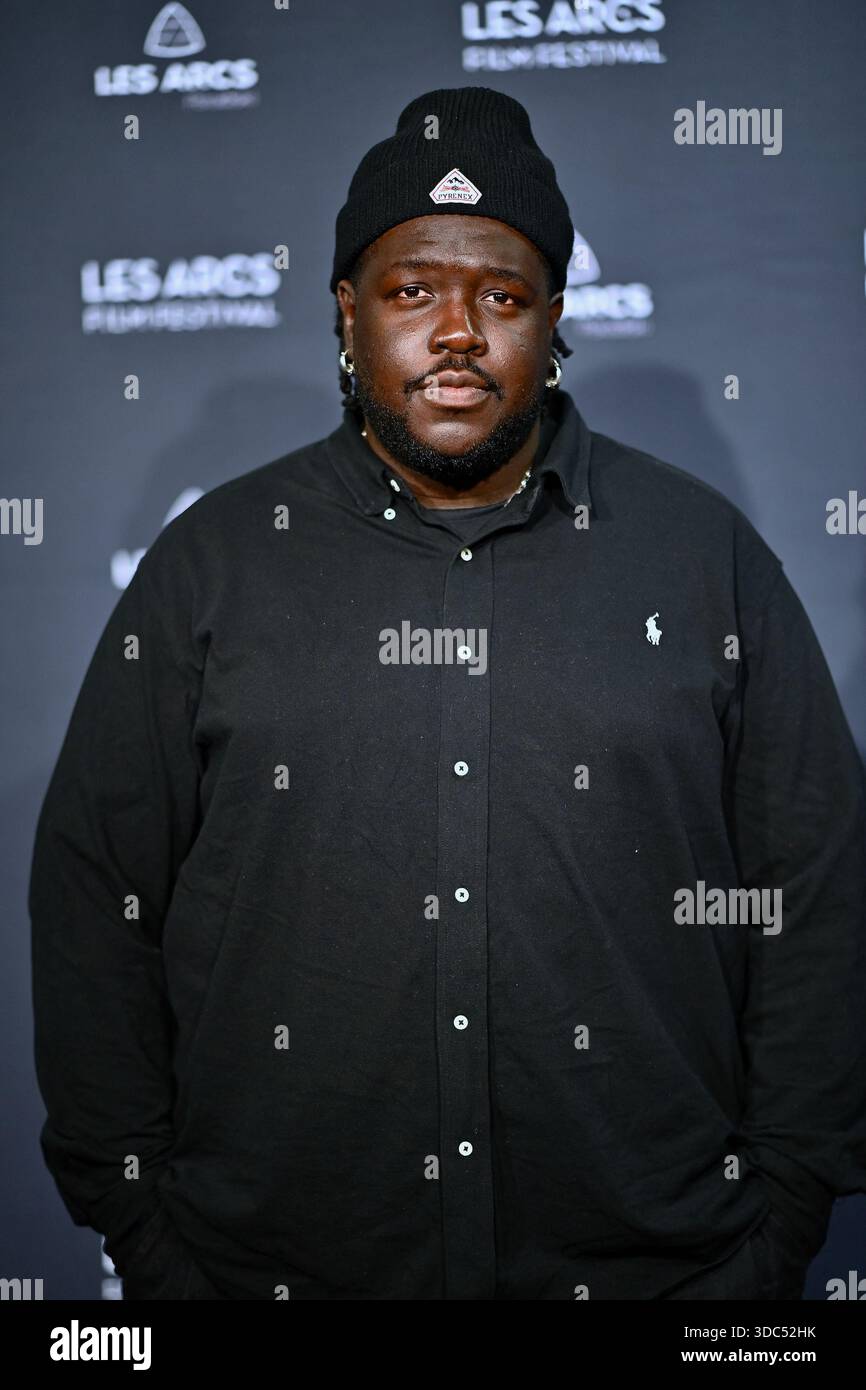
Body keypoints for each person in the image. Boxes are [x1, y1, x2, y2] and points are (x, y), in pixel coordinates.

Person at [29, 85, 866, 1301]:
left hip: (660, 1282)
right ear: (346, 313)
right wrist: (146, 1231)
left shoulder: (701, 556)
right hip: (273, 1276)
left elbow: (814, 888)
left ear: (555, 322)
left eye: (503, 294)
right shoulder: (211, 563)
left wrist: (781, 1208)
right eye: (412, 289)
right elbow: (95, 896)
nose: (458, 331)